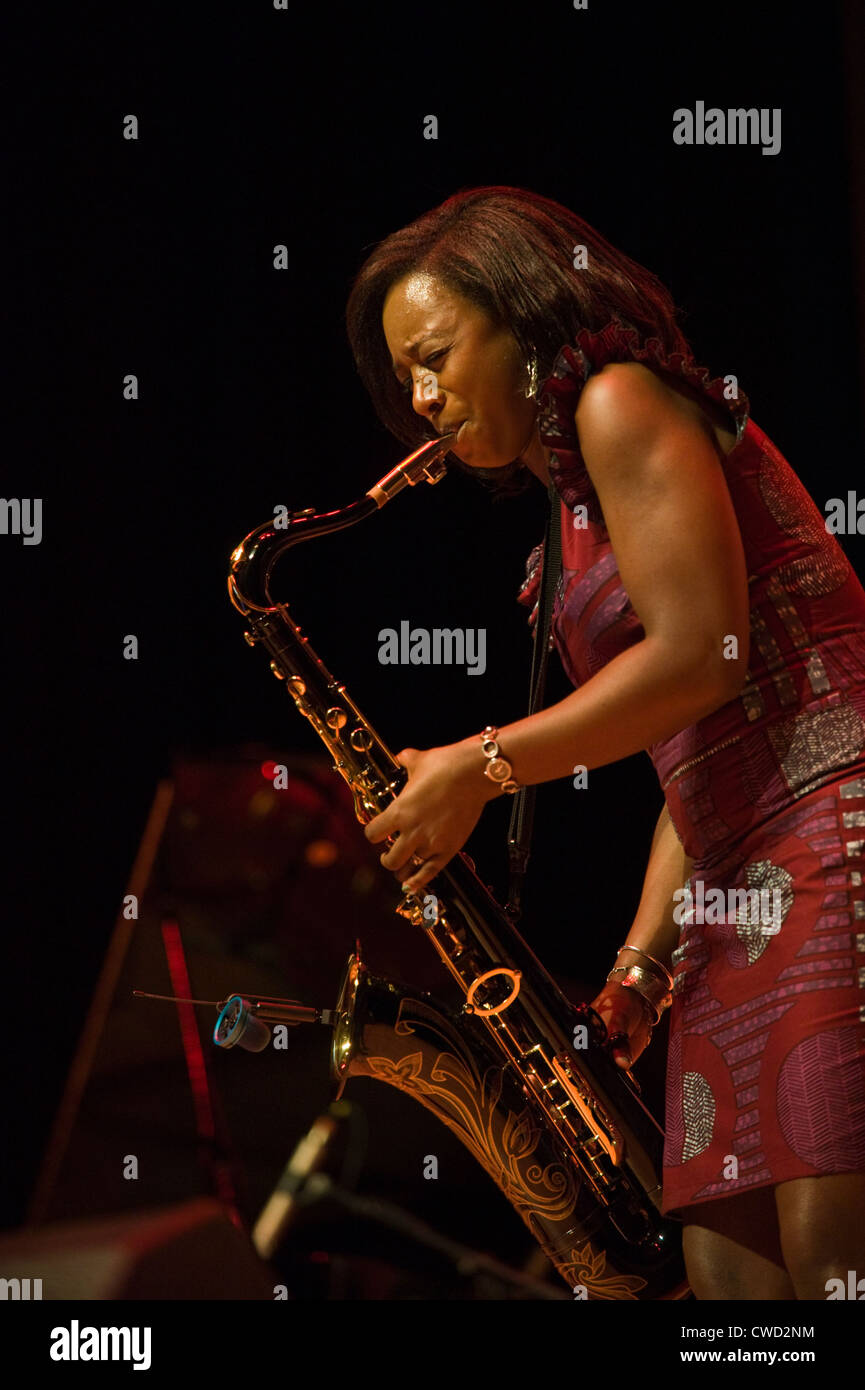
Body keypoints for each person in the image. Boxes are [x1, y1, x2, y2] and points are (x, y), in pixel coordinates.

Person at [344, 185, 865, 1300]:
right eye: (405, 379)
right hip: (733, 898)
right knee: (730, 1290)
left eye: (436, 354)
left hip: (834, 841)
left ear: (525, 317)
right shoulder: (564, 506)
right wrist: (638, 971)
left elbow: (704, 653)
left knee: (835, 1268)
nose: (423, 397)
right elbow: (698, 754)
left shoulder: (622, 403)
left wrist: (480, 765)